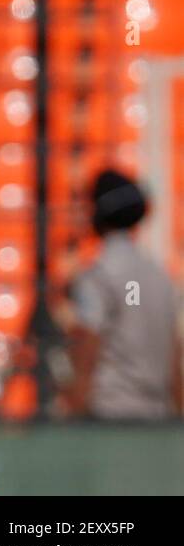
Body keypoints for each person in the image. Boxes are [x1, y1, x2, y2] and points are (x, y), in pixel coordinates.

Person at [64, 169, 182, 419]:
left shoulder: (98, 275)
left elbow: (87, 352)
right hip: (156, 421)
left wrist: (72, 413)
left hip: (110, 418)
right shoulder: (160, 277)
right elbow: (174, 363)